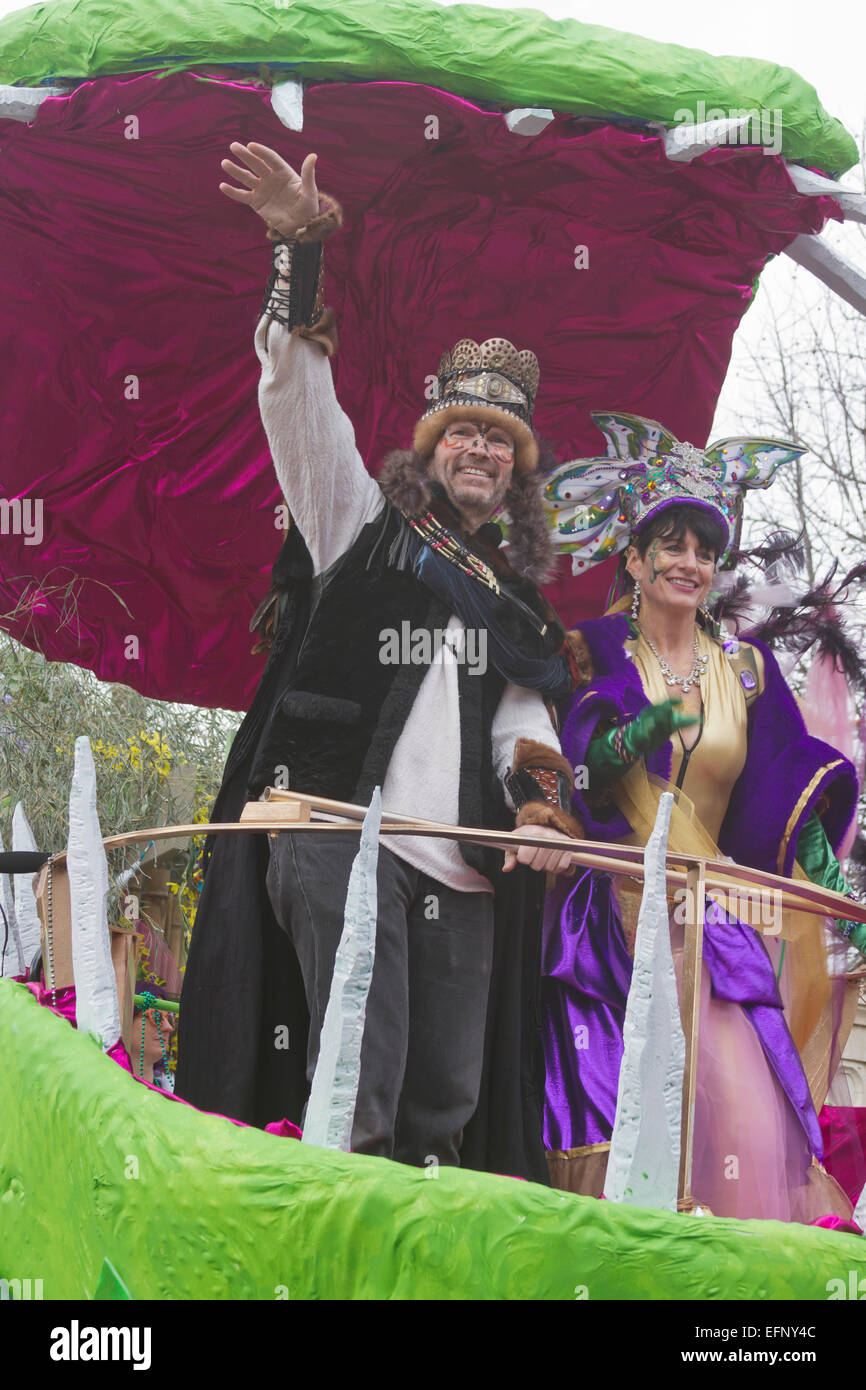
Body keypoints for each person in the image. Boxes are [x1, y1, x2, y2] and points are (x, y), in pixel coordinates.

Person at [176, 143, 583, 1174]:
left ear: (515, 467)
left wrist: (538, 803)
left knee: (441, 1109)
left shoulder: (517, 605)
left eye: (500, 442)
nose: (480, 452)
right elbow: (297, 401)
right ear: (433, 446)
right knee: (357, 1087)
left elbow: (522, 721)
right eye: (463, 435)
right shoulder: (358, 518)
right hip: (333, 832)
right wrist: (297, 252)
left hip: (459, 862)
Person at [541, 412, 865, 1221]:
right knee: (626, 1118)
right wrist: (633, 736)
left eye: (705, 550)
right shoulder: (592, 650)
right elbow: (578, 763)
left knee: (744, 1115)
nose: (690, 563)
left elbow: (788, 777)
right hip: (613, 916)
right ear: (636, 559)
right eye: (673, 545)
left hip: (714, 918)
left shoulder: (747, 672)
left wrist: (832, 887)